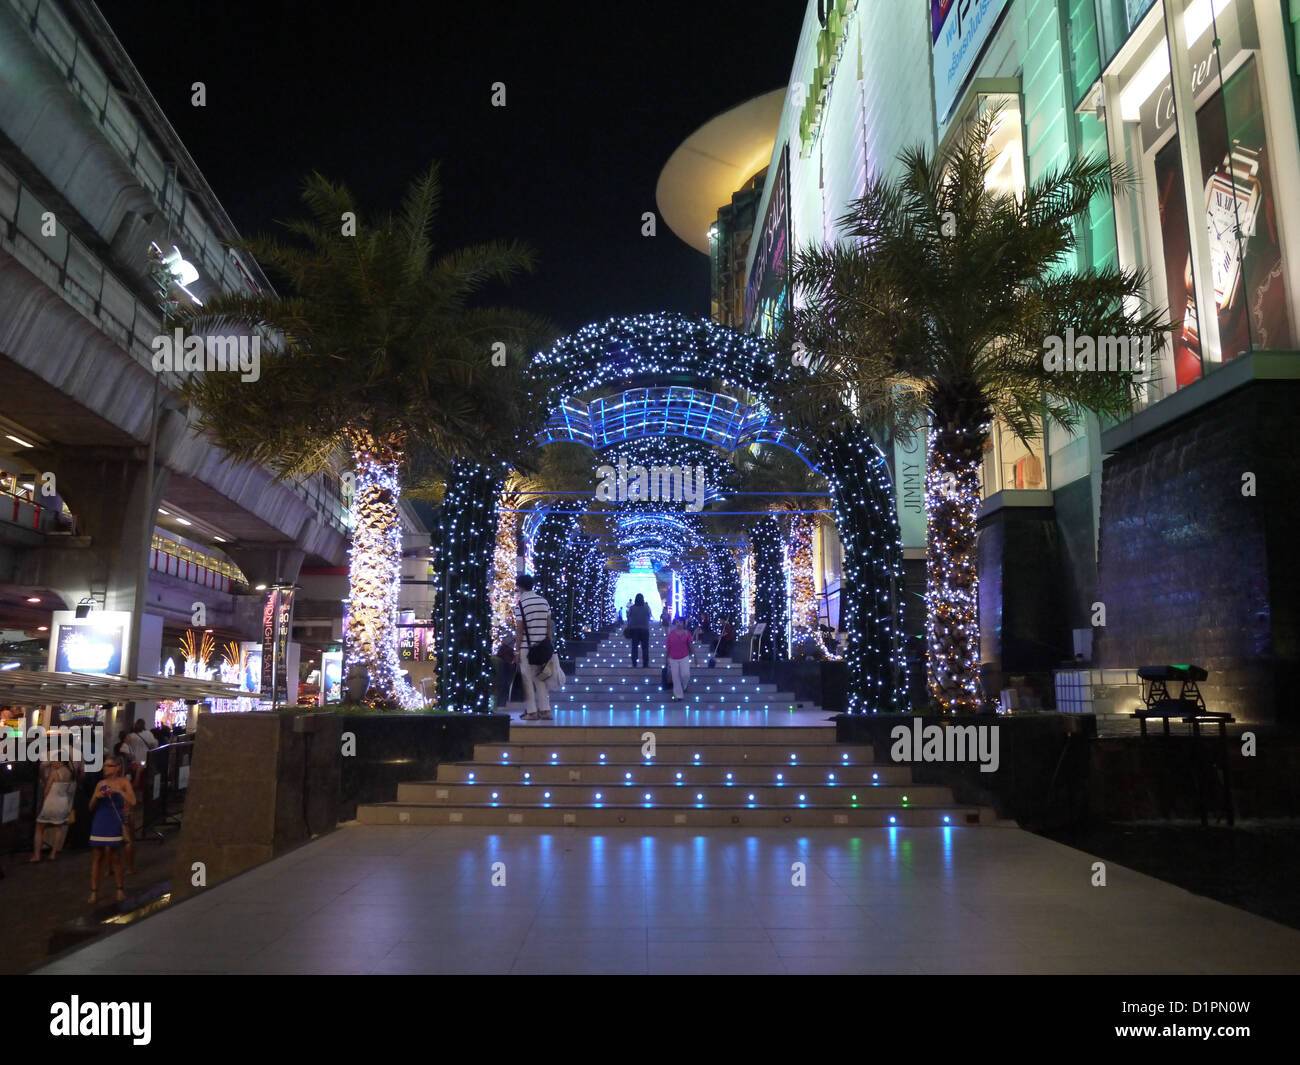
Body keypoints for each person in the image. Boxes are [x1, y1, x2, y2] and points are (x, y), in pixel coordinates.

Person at [87, 755, 134, 904]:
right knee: (97, 857)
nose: (105, 768)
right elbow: (90, 807)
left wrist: (119, 791)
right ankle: (94, 892)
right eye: (105, 765)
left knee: (115, 857)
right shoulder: (100, 783)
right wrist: (97, 796)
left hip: (114, 821)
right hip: (100, 820)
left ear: (117, 768)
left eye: (109, 765)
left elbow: (133, 801)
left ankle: (119, 889)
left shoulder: (123, 782)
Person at [513, 574, 554, 722]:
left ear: (520, 587)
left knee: (527, 679)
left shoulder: (521, 605)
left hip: (526, 648)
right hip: (542, 646)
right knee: (540, 678)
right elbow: (549, 626)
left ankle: (532, 712)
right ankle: (545, 710)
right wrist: (548, 644)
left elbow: (519, 630)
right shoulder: (544, 601)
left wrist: (516, 650)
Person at [31, 759, 76, 862]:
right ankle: (53, 854)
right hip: (63, 802)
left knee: (39, 828)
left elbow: (47, 789)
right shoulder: (69, 772)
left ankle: (37, 855)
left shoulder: (54, 772)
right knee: (58, 828)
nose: (53, 763)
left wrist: (44, 799)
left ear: (61, 761)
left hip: (51, 802)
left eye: (55, 761)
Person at [666, 618, 693, 701]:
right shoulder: (671, 634)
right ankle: (678, 695)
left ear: (684, 624)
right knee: (675, 677)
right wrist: (666, 658)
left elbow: (690, 645)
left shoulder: (687, 633)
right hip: (673, 658)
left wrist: (695, 657)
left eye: (681, 622)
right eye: (677, 622)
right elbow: (668, 647)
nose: (679, 624)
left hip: (684, 657)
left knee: (686, 674)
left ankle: (684, 686)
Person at [626, 593, 652, 668]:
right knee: (645, 648)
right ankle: (645, 664)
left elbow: (629, 618)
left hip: (634, 630)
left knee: (634, 648)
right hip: (645, 629)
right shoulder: (646, 607)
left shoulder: (632, 608)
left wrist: (629, 627)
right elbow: (649, 614)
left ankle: (634, 663)